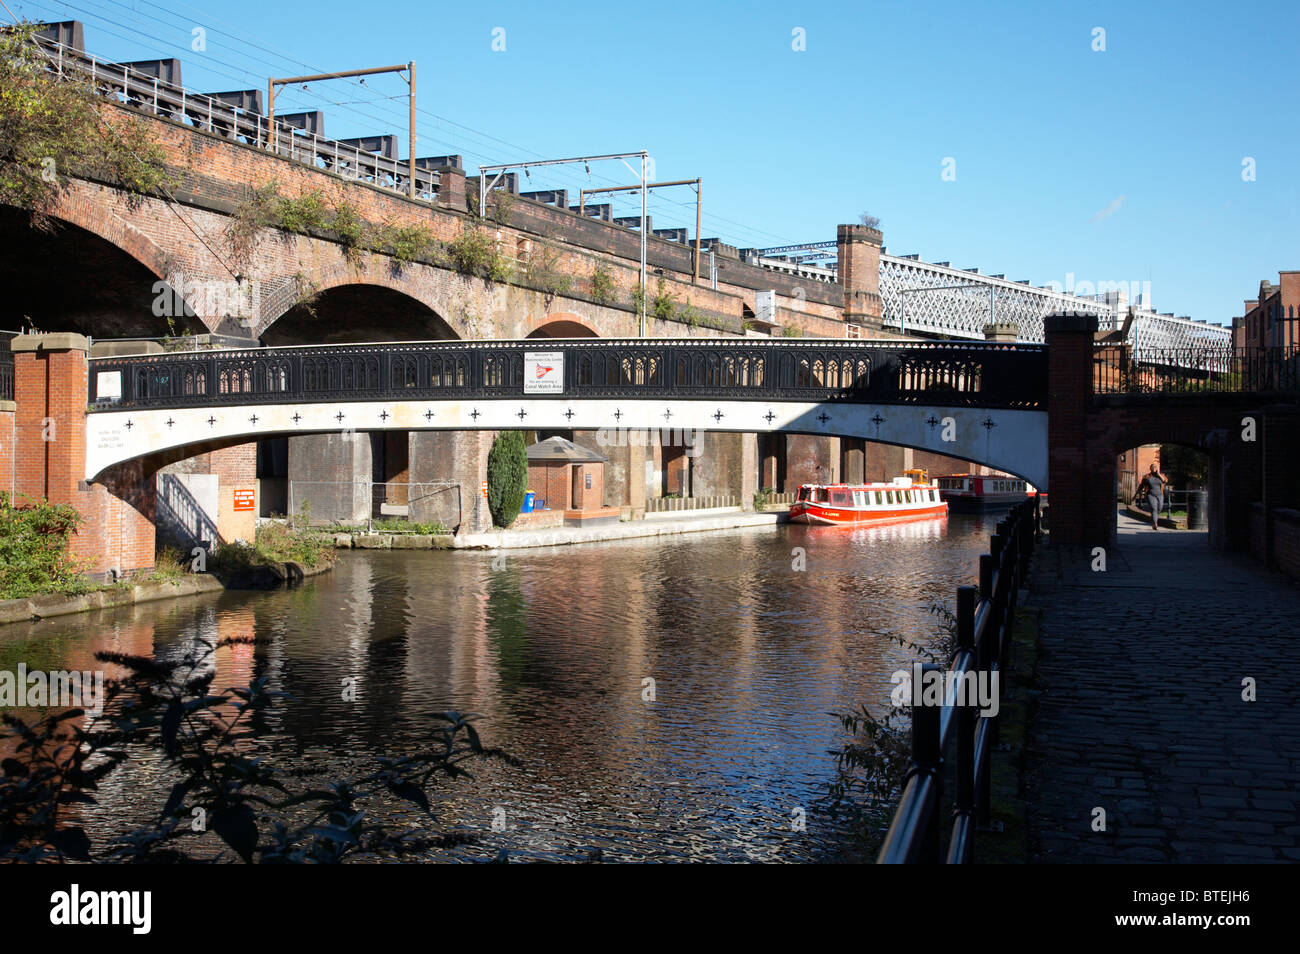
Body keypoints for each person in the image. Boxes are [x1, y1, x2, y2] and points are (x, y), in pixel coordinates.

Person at [1135, 463, 1168, 530]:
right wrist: (1136, 494)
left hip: (1160, 495)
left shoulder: (1161, 475)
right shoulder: (1147, 477)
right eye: (1153, 467)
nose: (1154, 468)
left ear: (1157, 468)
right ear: (1150, 468)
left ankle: (1154, 518)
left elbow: (1165, 481)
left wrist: (1158, 474)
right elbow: (1141, 486)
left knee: (1159, 508)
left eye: (1155, 467)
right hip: (1150, 495)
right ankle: (1155, 523)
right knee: (1154, 508)